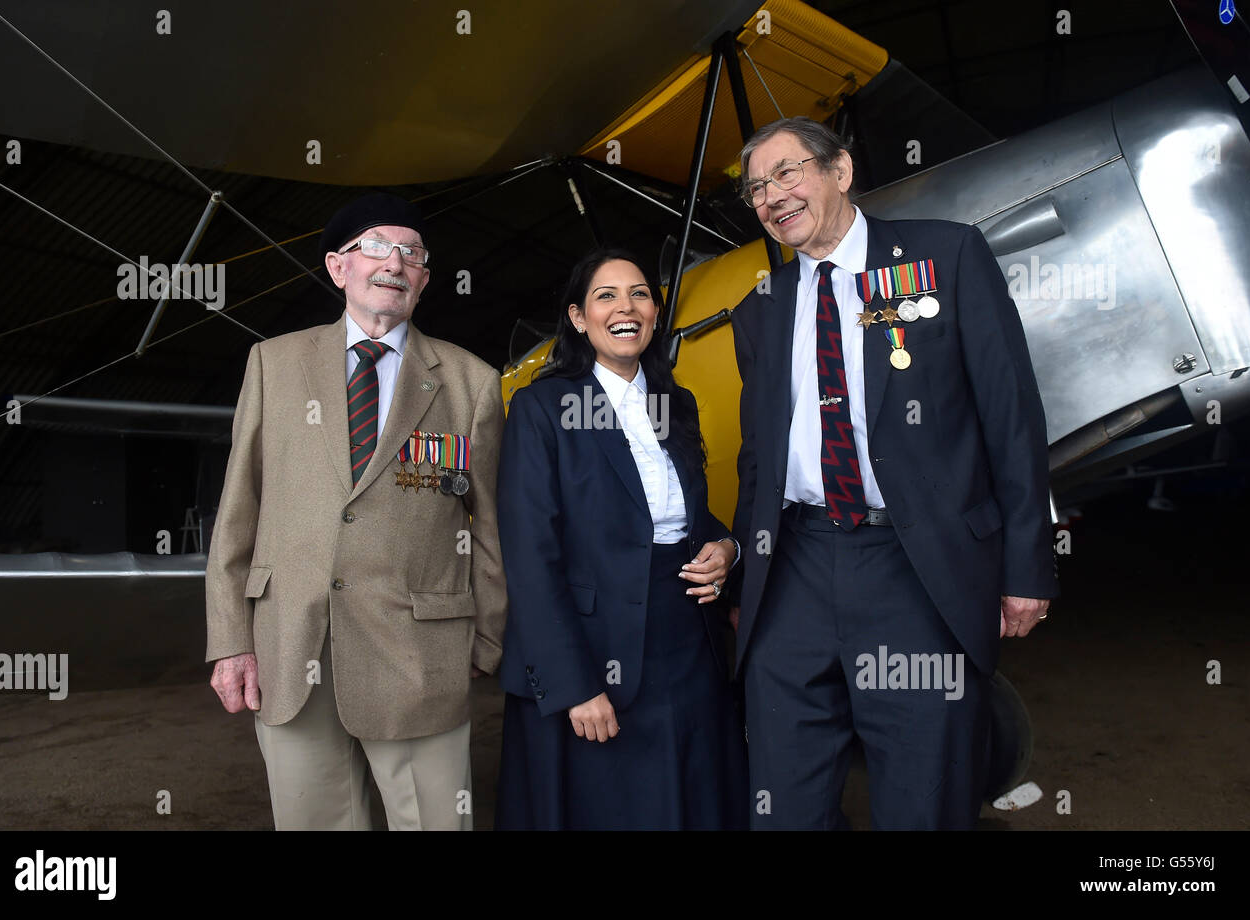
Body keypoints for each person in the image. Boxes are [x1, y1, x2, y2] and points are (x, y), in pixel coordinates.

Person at [729, 117, 1059, 830]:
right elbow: (758, 453)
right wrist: (743, 573)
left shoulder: (944, 256)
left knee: (925, 789)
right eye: (756, 188)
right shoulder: (760, 310)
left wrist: (1028, 564)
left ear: (839, 171)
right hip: (796, 565)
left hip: (916, 564)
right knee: (784, 799)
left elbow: (1011, 416)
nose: (771, 196)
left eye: (787, 173)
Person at [204, 193, 507, 830]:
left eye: (412, 254)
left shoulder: (471, 382)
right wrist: (230, 639)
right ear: (338, 267)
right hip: (292, 645)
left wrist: (488, 632)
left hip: (420, 654)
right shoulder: (273, 364)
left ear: (424, 279)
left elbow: (490, 526)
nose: (394, 262)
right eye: (376, 246)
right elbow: (239, 511)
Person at [495, 249, 748, 830]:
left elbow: (691, 516)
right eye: (605, 295)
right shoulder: (542, 408)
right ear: (579, 319)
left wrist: (728, 549)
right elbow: (531, 556)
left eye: (639, 293)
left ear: (655, 314)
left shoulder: (673, 404)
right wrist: (573, 685)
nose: (625, 306)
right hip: (591, 646)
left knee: (692, 798)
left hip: (686, 636)